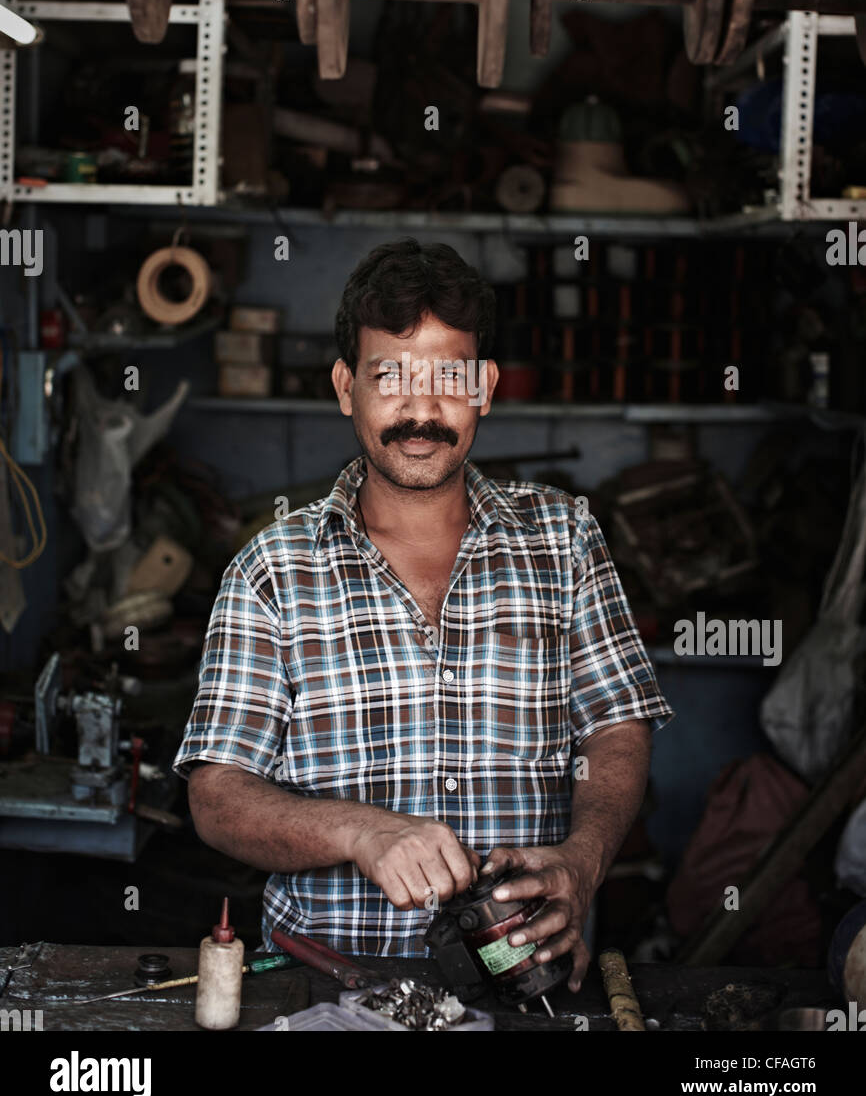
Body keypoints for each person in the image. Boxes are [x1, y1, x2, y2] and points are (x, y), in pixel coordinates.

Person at [173, 239, 673, 991]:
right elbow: (215, 797)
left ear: (486, 388)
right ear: (346, 388)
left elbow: (617, 723)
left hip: (524, 983)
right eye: (390, 376)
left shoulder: (564, 540)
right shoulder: (272, 571)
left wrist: (584, 858)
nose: (421, 408)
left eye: (449, 376)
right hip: (328, 990)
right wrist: (360, 831)